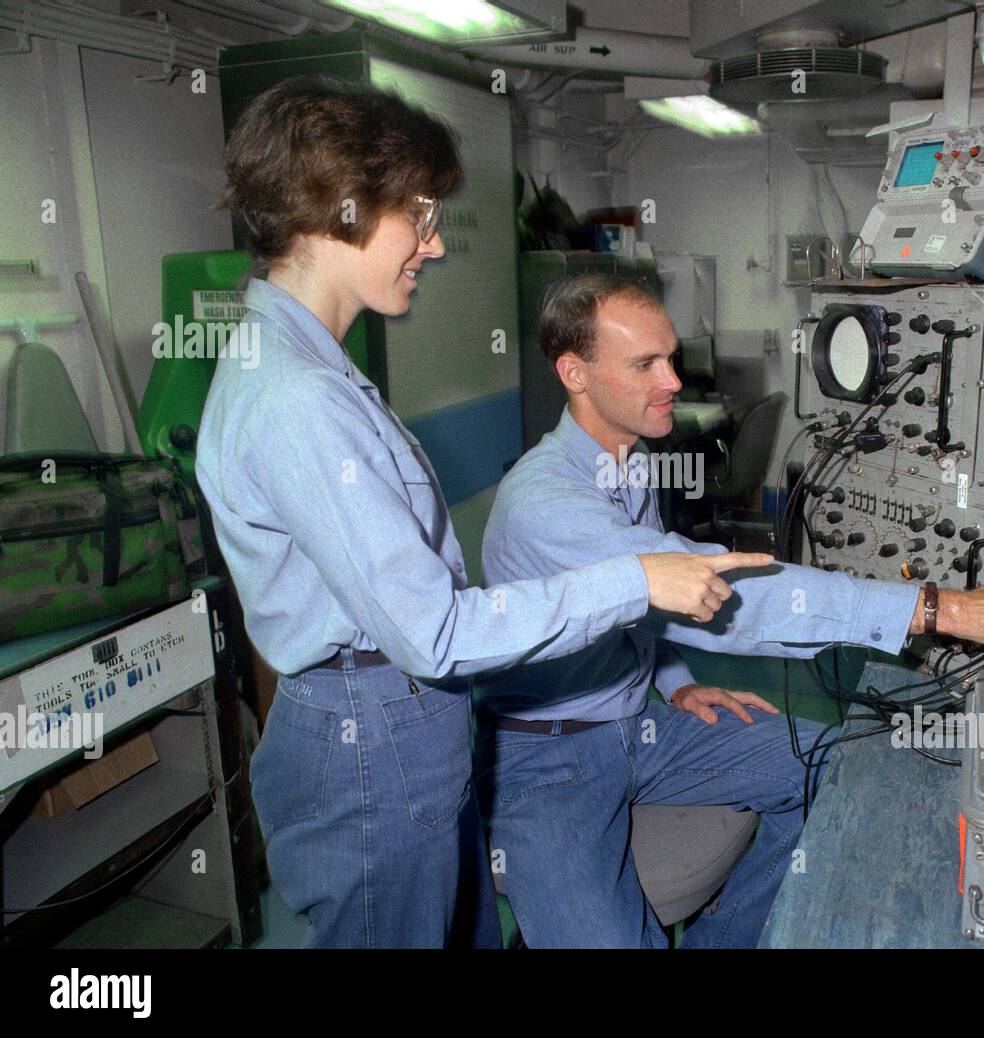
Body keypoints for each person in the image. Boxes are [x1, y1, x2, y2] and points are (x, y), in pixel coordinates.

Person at [195, 79, 770, 949]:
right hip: (372, 733)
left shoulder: (301, 363)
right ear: (338, 208)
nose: (431, 244)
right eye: (418, 217)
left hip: (397, 717)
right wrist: (636, 579)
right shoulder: (297, 397)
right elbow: (432, 630)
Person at [475, 273, 984, 948]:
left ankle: (725, 937)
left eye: (670, 358)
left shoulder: (631, 464)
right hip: (546, 762)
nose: (674, 381)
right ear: (574, 373)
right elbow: (721, 596)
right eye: (645, 364)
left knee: (830, 765)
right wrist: (945, 610)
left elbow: (638, 612)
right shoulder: (545, 506)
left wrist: (677, 686)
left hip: (640, 726)